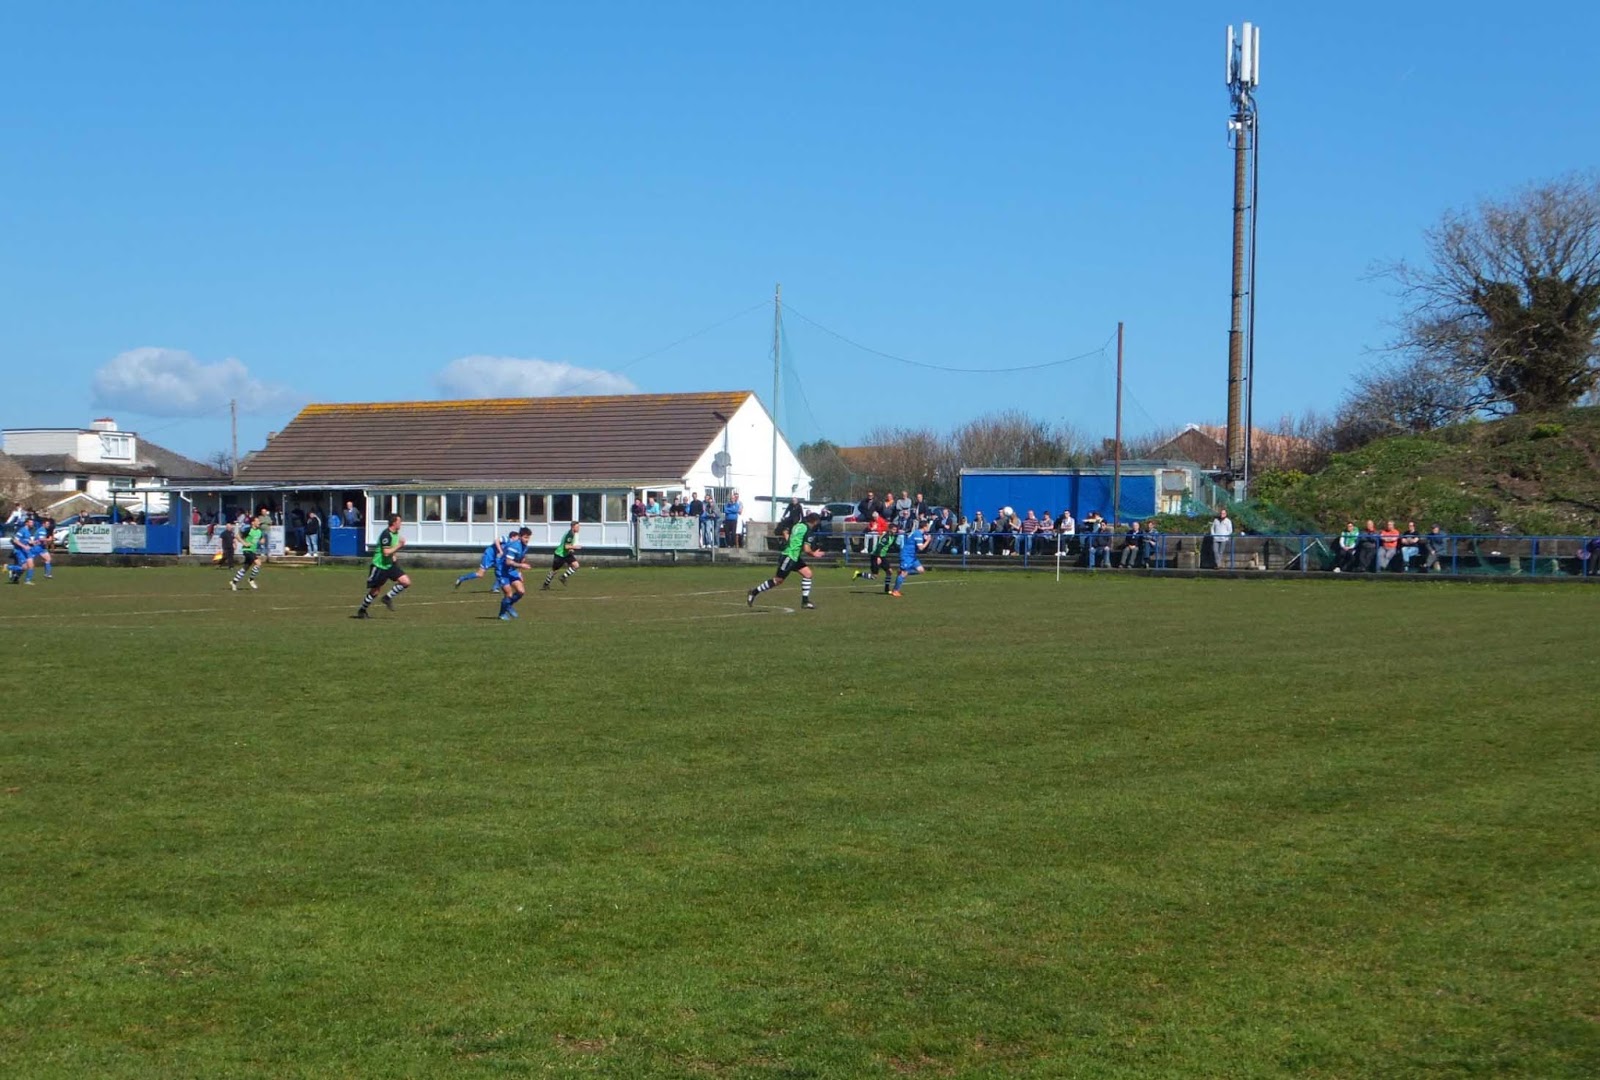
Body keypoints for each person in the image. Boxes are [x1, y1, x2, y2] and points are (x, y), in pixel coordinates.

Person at [748, 511, 822, 609]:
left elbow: (791, 538)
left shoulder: (798, 525)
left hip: (794, 557)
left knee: (808, 574)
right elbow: (807, 549)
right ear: (814, 521)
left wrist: (786, 534)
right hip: (789, 557)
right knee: (778, 580)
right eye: (817, 523)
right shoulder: (808, 531)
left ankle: (805, 602)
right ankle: (753, 592)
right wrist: (814, 554)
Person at [354, 514, 410, 617]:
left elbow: (390, 551)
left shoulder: (396, 533)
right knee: (375, 591)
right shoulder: (386, 535)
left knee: (405, 582)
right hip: (379, 566)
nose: (401, 523)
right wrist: (399, 546)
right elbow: (386, 552)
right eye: (399, 521)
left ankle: (387, 598)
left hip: (389, 565)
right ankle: (362, 610)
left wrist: (394, 556)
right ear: (394, 523)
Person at [496, 527, 534, 620]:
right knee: (509, 594)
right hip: (502, 570)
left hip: (512, 570)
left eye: (528, 537)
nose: (527, 540)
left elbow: (521, 559)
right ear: (520, 537)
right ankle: (501, 614)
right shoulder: (514, 546)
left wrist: (520, 573)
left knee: (521, 592)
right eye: (525, 537)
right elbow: (508, 562)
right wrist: (522, 565)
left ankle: (508, 605)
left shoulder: (525, 546)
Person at [887, 517, 932, 597]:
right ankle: (895, 590)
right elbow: (921, 548)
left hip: (912, 556)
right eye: (927, 526)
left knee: (921, 570)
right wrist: (928, 541)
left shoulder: (918, 533)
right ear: (924, 527)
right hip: (906, 555)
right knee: (903, 573)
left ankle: (904, 572)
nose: (928, 527)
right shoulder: (918, 534)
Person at [542, 521, 582, 589]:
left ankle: (563, 577)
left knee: (576, 565)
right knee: (554, 571)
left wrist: (571, 549)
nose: (579, 528)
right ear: (573, 527)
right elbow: (566, 546)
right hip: (560, 555)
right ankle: (546, 584)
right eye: (577, 527)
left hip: (567, 554)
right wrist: (576, 547)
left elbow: (567, 546)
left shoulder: (572, 533)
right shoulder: (570, 535)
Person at [230, 517, 266, 591]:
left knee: (245, 568)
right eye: (257, 521)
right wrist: (244, 543)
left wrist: (262, 541)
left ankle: (234, 582)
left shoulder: (259, 531)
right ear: (253, 522)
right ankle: (251, 579)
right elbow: (237, 536)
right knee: (258, 563)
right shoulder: (249, 530)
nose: (259, 522)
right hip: (247, 550)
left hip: (252, 550)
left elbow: (262, 539)